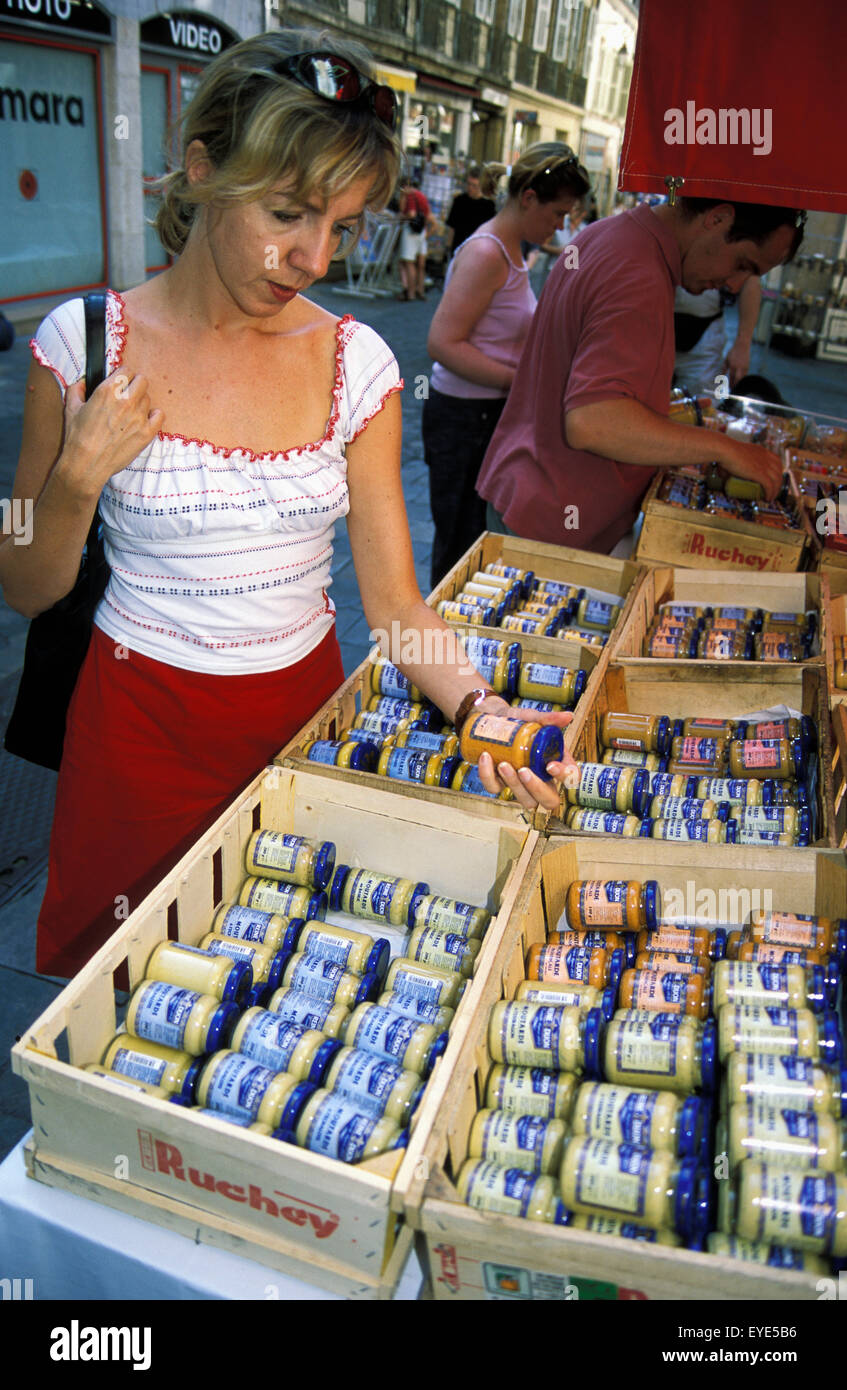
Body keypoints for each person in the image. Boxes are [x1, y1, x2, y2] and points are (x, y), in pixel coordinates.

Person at [0, 31, 573, 979]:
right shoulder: (86, 340)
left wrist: (481, 707)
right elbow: (23, 580)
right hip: (132, 734)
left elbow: (393, 603)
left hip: (297, 728)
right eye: (288, 212)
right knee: (124, 992)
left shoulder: (359, 363)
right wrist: (74, 481)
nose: (313, 255)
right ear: (202, 169)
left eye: (343, 227)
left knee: (271, 991)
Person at [477, 196, 806, 554]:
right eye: (742, 264)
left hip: (532, 496)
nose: (735, 285)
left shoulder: (613, 233)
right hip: (549, 524)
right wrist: (723, 449)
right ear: (718, 219)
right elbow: (594, 421)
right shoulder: (638, 272)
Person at [423, 144, 591, 588]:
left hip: (486, 417)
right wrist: (521, 381)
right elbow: (442, 343)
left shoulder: (512, 252)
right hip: (464, 420)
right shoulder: (487, 254)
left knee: (476, 544)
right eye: (557, 213)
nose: (560, 226)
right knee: (460, 549)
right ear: (529, 197)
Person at [674, 276, 762, 396]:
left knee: (700, 401)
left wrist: (743, 344)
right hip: (655, 319)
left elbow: (751, 277)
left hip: (706, 329)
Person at [397, 175, 437, 301]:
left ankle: (411, 293)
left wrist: (401, 216)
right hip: (421, 232)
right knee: (421, 264)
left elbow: (411, 213)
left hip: (411, 232)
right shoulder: (421, 196)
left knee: (409, 263)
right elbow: (431, 219)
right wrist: (427, 234)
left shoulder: (409, 196)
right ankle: (420, 290)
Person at [444, 166, 496, 259]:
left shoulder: (488, 206)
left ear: (481, 186)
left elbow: (491, 234)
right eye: (468, 184)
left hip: (478, 253)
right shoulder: (459, 201)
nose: (470, 188)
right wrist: (448, 248)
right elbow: (452, 227)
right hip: (458, 249)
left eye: (474, 185)